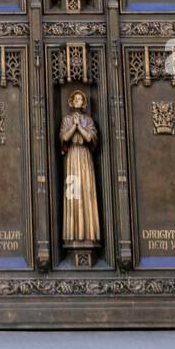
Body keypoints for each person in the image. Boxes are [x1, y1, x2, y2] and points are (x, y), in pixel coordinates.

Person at [60, 91, 100, 247]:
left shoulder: (88, 120)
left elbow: (90, 138)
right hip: (72, 161)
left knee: (86, 191)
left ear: (83, 103)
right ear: (71, 101)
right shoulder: (66, 120)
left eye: (80, 99)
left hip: (84, 158)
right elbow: (64, 138)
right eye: (75, 99)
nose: (78, 101)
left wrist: (78, 126)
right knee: (73, 194)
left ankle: (89, 233)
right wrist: (73, 126)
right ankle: (72, 234)